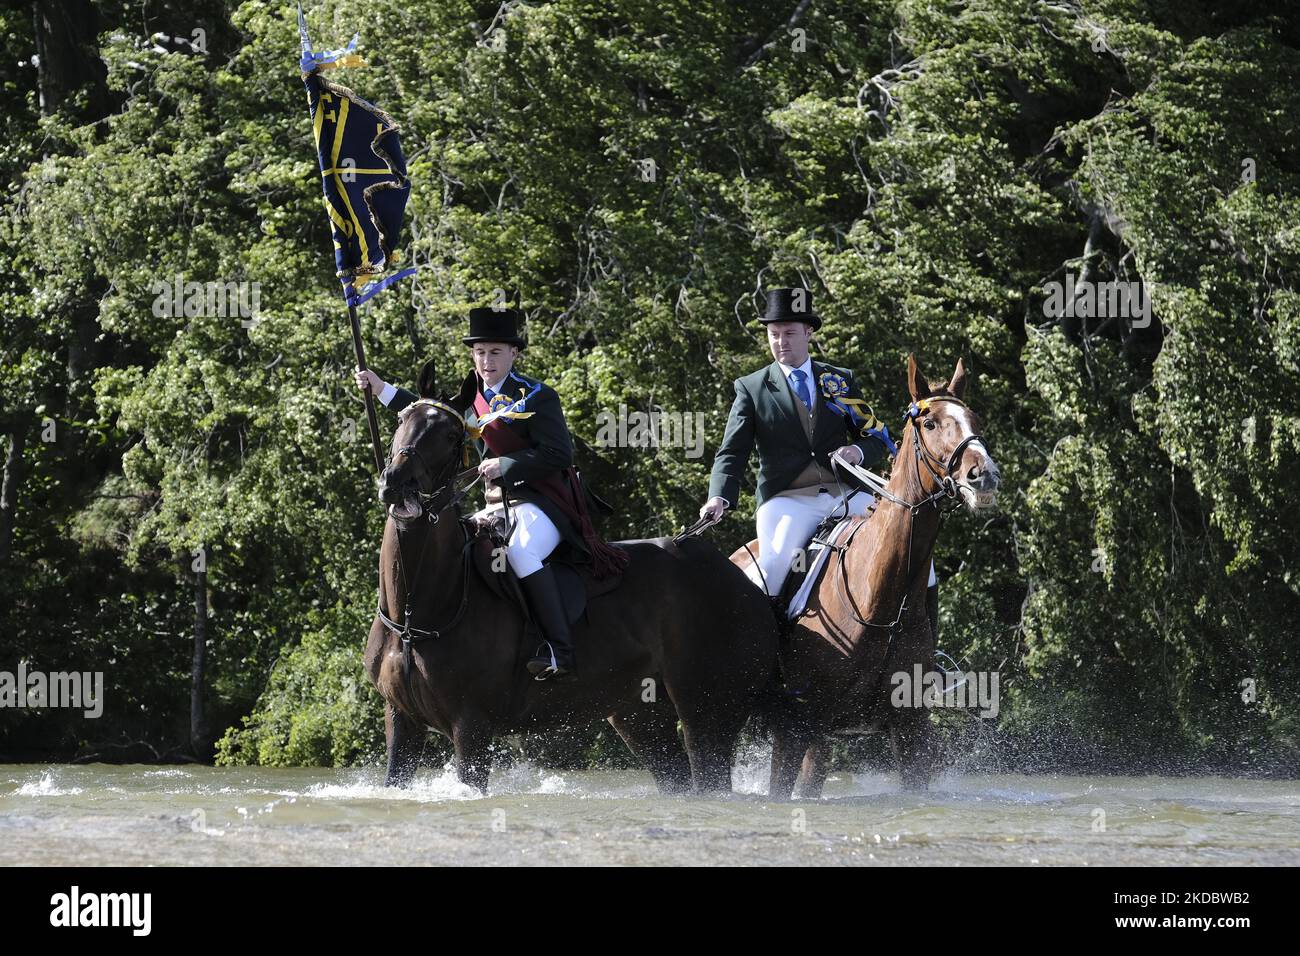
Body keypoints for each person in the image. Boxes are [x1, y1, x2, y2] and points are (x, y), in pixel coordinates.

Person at [356, 306, 626, 680]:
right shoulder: (471, 401)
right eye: (480, 352)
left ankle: (559, 650)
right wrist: (380, 387)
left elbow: (559, 453)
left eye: (495, 352)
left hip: (543, 504)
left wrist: (506, 465)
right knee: (461, 547)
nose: (487, 360)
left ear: (514, 354)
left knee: (520, 551)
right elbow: (426, 416)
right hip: (496, 506)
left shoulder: (536, 396)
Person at [700, 287, 939, 629]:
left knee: (918, 554)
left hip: (846, 494)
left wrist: (857, 450)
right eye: (774, 334)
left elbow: (874, 434)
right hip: (788, 500)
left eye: (789, 333)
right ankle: (771, 653)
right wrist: (718, 496)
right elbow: (732, 451)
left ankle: (932, 651)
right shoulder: (751, 388)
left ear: (808, 332)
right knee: (777, 565)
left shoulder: (838, 380)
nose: (781, 342)